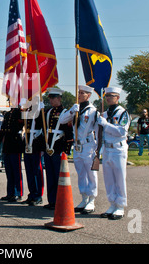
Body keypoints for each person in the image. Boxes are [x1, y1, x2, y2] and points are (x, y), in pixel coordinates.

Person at [58, 85, 98, 213]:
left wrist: (98, 149)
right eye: (79, 92)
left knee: (91, 173)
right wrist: (71, 111)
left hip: (88, 145)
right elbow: (62, 120)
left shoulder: (93, 111)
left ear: (89, 95)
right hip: (77, 145)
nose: (79, 95)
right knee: (81, 173)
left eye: (82, 93)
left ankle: (92, 200)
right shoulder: (76, 108)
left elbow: (97, 130)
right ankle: (84, 198)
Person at [97, 87, 130, 220]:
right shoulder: (104, 114)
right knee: (109, 179)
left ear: (118, 98)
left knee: (119, 178)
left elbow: (121, 132)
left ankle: (120, 206)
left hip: (118, 149)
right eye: (107, 96)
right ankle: (112, 204)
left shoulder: (123, 113)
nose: (109, 98)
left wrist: (106, 125)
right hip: (107, 148)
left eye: (112, 95)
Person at [43, 88, 74, 210]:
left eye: (53, 98)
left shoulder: (65, 112)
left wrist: (65, 151)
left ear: (59, 98)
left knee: (58, 177)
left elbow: (69, 134)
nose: (51, 100)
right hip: (48, 148)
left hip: (58, 147)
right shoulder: (48, 111)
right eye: (50, 98)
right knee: (50, 176)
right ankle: (51, 200)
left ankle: (59, 201)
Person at [21, 99, 45, 206]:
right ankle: (31, 194)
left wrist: (41, 109)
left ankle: (38, 195)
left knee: (36, 170)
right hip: (27, 142)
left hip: (36, 143)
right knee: (29, 170)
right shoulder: (28, 111)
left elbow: (43, 127)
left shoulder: (40, 111)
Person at [0, 105, 24, 202]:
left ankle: (18, 193)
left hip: (15, 143)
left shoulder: (20, 112)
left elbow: (20, 126)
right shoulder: (8, 114)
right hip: (7, 144)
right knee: (9, 171)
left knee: (16, 171)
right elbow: (3, 128)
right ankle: (10, 193)